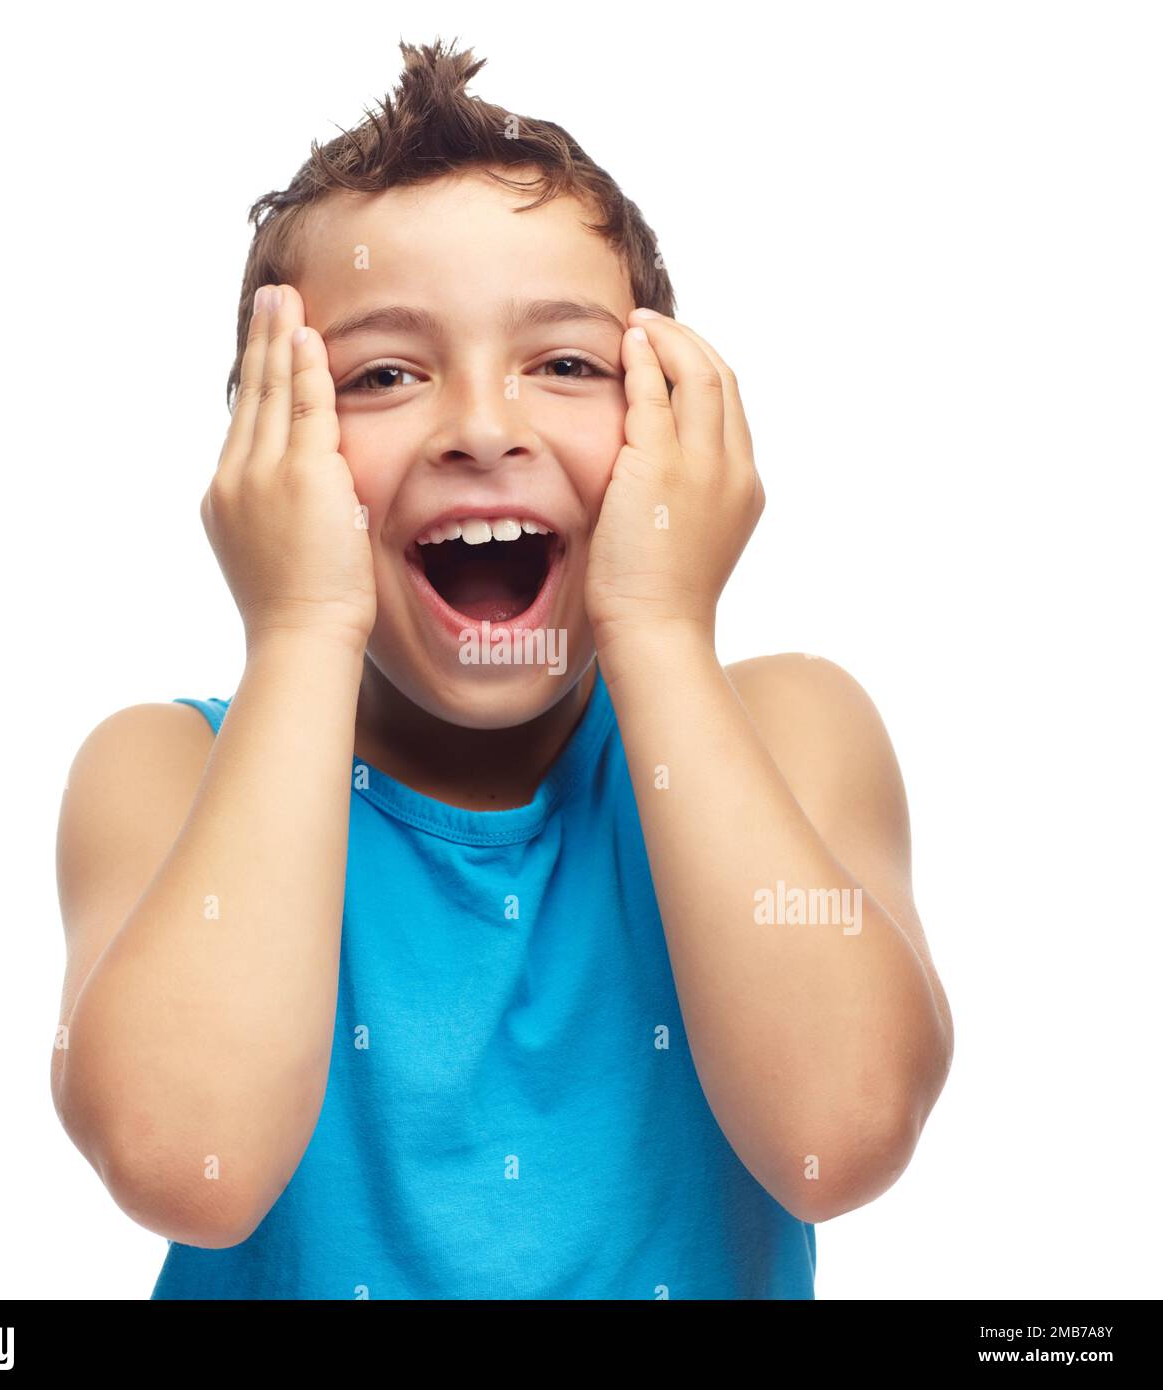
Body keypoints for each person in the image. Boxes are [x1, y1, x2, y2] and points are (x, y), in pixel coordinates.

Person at [51, 36, 953, 1300]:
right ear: (274, 456)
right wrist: (304, 620)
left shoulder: (793, 727)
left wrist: (657, 623)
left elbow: (841, 1138)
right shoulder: (165, 768)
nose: (482, 428)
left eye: (569, 364)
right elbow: (190, 1162)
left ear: (667, 427)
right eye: (382, 374)